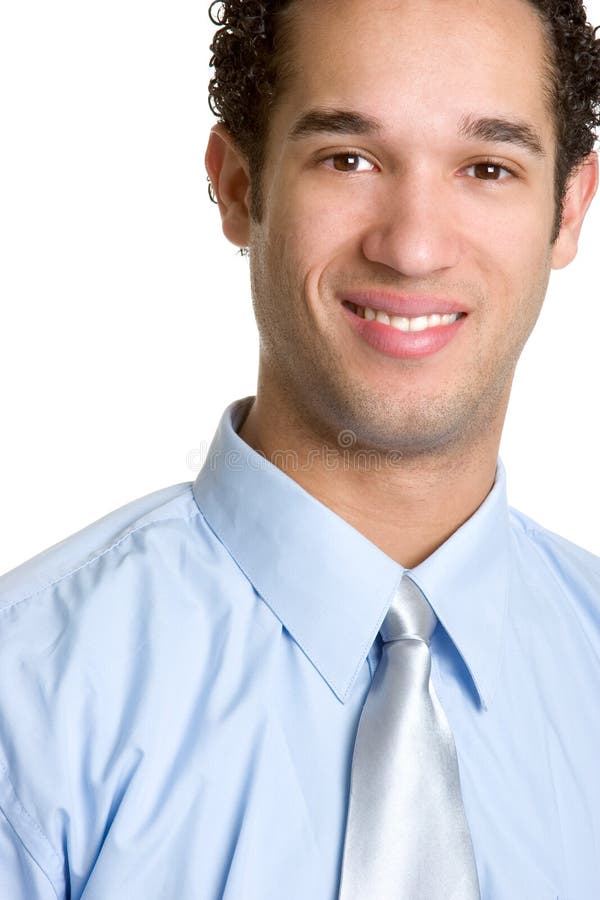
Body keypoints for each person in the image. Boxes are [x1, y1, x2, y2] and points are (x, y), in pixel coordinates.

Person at [1, 0, 599, 897]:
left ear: (568, 209)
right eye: (348, 158)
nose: (414, 246)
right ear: (240, 185)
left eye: (487, 167)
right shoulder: (26, 701)